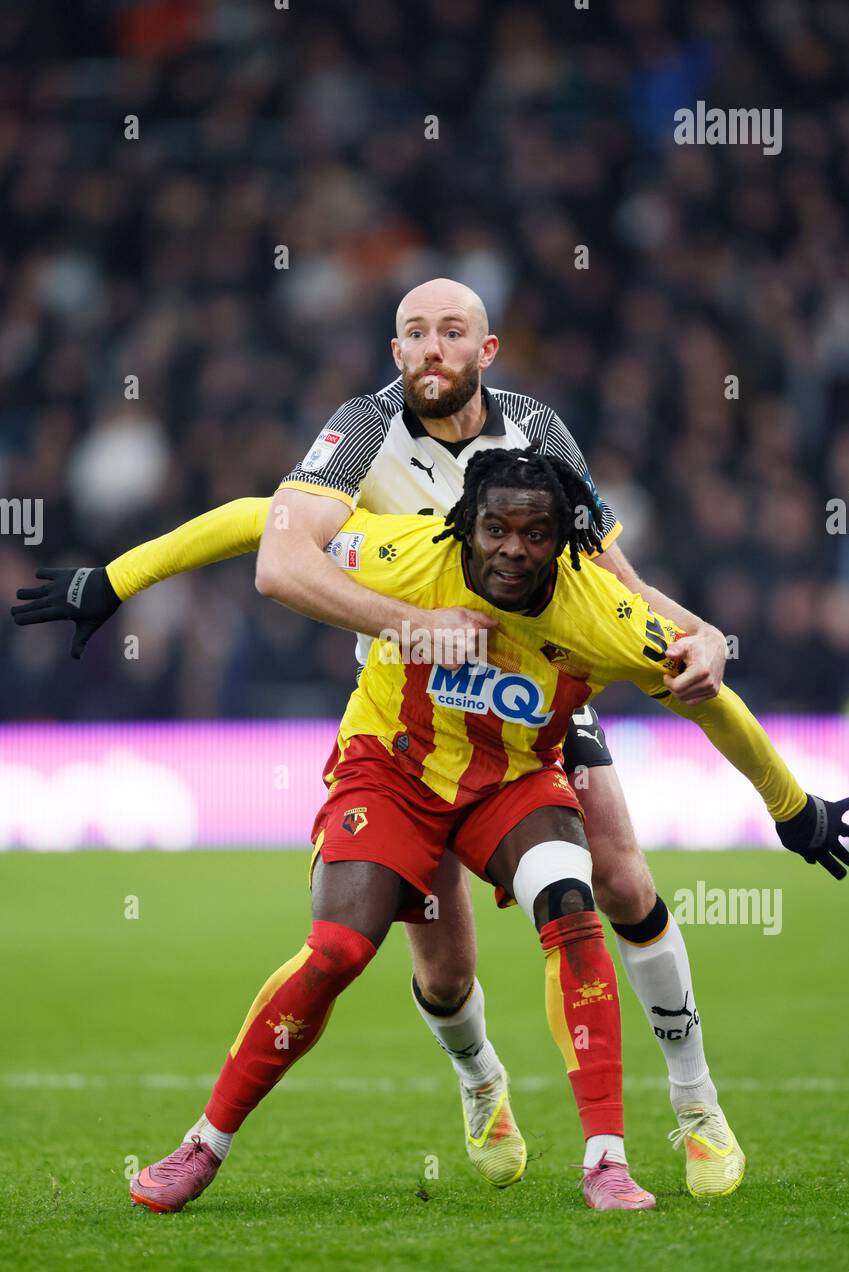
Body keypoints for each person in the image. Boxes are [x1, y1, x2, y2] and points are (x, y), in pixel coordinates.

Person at [9, 279, 762, 1199]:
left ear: (487, 351)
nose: (432, 348)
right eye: (414, 333)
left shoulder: (537, 428)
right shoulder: (363, 430)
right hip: (414, 707)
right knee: (444, 977)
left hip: (535, 698)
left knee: (617, 878)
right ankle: (481, 1076)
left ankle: (695, 1107)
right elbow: (273, 542)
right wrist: (120, 580)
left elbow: (611, 576)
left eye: (453, 332)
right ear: (394, 347)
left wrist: (702, 636)